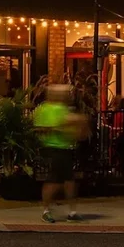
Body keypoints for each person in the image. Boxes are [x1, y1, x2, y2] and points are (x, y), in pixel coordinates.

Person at [34, 84, 88, 223]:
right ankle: (46, 210)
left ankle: (72, 211)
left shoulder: (65, 109)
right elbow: (41, 128)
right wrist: (62, 128)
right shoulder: (46, 109)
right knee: (54, 180)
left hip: (67, 147)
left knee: (69, 180)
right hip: (53, 147)